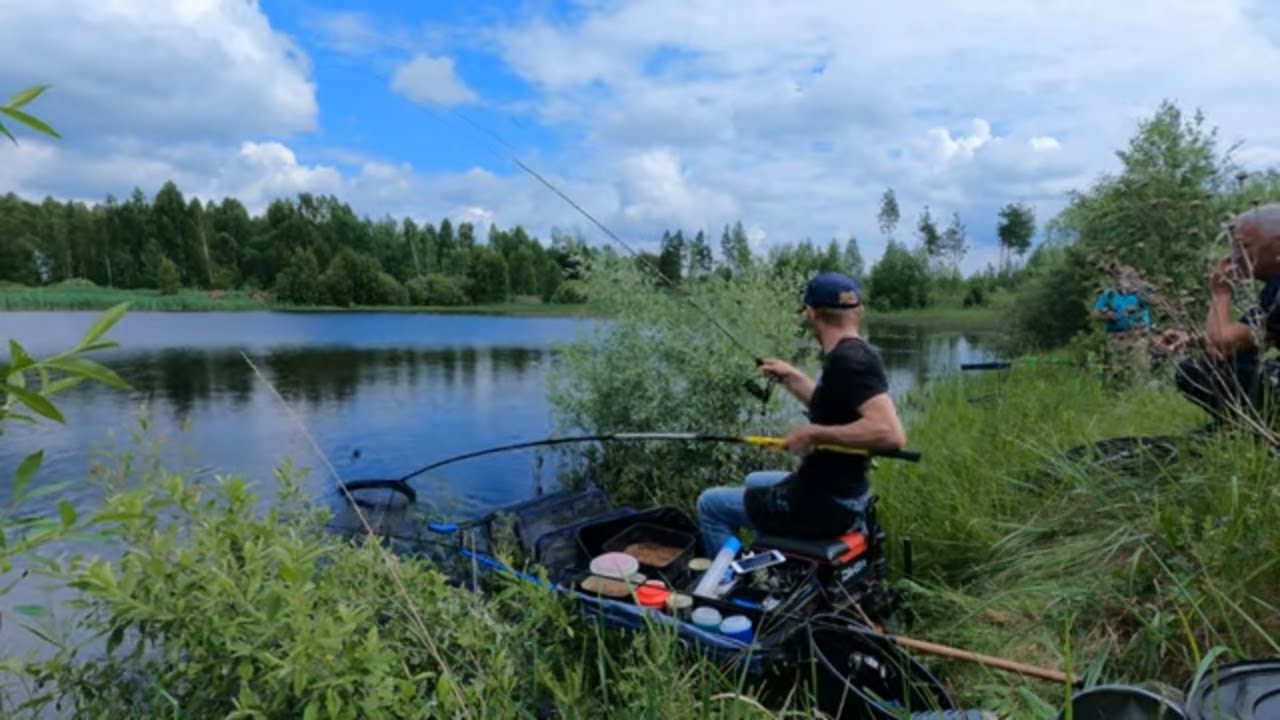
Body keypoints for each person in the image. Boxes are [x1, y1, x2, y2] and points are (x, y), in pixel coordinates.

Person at [695, 272, 907, 556]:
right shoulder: (849, 354)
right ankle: (772, 563)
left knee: (710, 505)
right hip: (835, 489)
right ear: (859, 311)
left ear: (810, 312)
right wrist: (792, 377)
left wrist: (813, 433)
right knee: (754, 480)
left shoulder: (851, 361)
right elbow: (831, 407)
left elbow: (890, 434)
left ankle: (729, 590)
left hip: (827, 504)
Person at [1157, 203, 1280, 431]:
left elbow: (1222, 346)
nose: (1235, 257)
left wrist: (1220, 291)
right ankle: (1253, 428)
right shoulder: (1274, 289)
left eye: (1244, 247)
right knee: (1232, 363)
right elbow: (1247, 338)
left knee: (1197, 371)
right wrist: (1192, 339)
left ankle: (1258, 429)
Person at [1092, 267, 1153, 378]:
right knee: (1118, 369)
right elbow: (1095, 313)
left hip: (1138, 336)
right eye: (1115, 279)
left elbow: (1153, 301)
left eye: (1121, 279)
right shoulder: (1109, 294)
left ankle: (1142, 389)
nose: (1118, 282)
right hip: (1116, 338)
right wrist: (1107, 315)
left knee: (1140, 367)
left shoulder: (1141, 292)